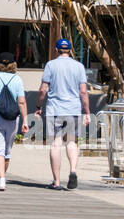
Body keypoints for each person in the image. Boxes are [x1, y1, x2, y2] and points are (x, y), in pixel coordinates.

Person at [34, 38, 91, 190]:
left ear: (56, 49)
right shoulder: (79, 66)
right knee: (72, 142)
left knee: (56, 144)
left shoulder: (51, 65)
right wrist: (87, 112)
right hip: (73, 109)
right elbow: (83, 91)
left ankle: (57, 182)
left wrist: (38, 106)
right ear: (70, 50)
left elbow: (43, 89)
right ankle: (73, 170)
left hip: (55, 110)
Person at [0, 52, 29, 190]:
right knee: (7, 151)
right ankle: (2, 177)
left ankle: (1, 179)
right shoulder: (17, 79)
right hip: (12, 118)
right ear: (13, 64)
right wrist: (25, 120)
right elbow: (21, 102)